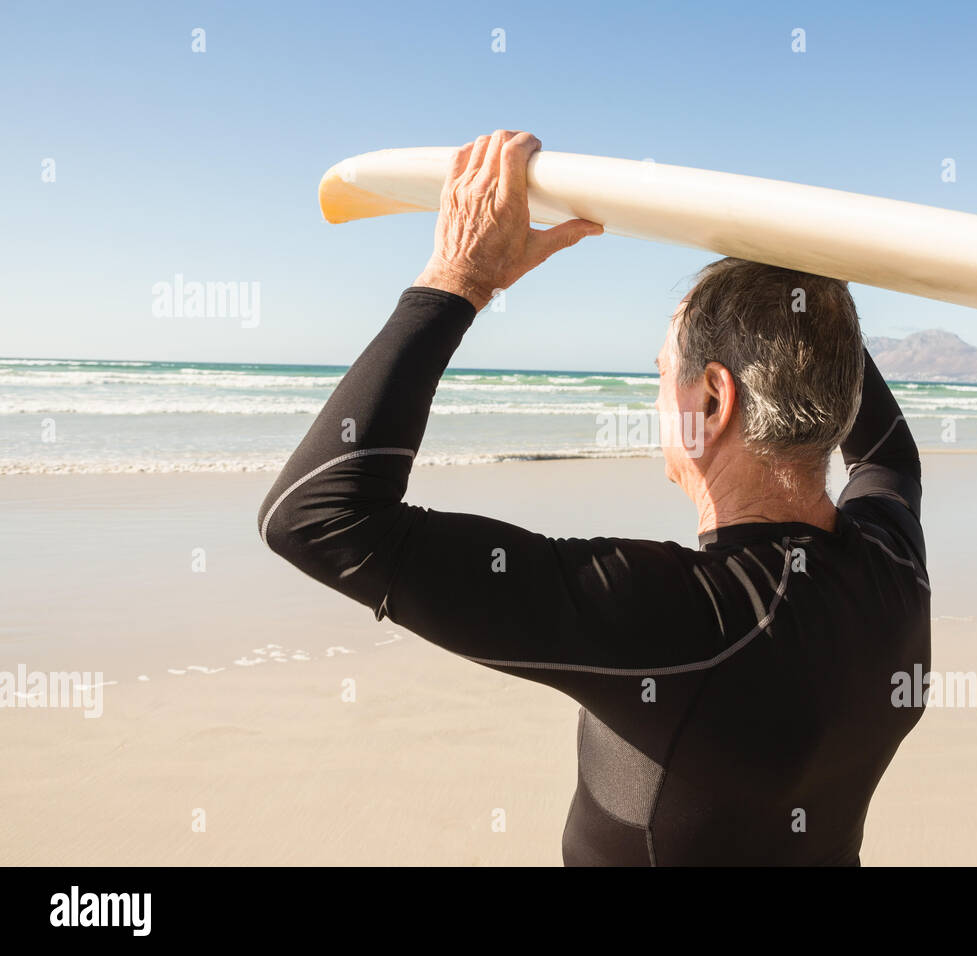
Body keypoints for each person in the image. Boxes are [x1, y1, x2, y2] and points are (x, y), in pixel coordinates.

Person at [259, 130, 930, 866]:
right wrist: (812, 295)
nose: (652, 394)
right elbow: (887, 452)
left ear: (712, 401)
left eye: (661, 371)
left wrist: (460, 276)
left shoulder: (680, 621)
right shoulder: (892, 567)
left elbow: (316, 515)